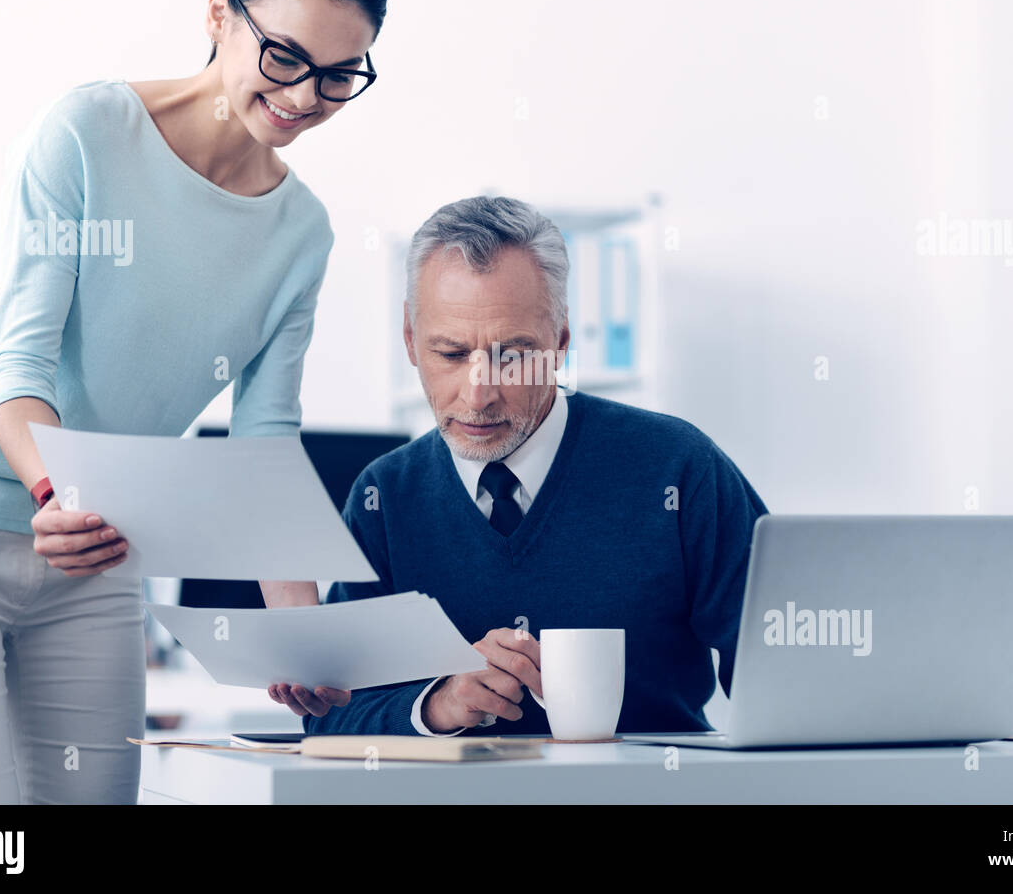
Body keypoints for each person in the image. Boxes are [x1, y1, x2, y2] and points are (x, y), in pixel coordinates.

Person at [0, 0, 386, 803]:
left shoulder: (302, 233)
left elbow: (263, 446)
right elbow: (16, 375)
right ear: (220, 12)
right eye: (285, 55)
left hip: (96, 557)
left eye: (339, 73)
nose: (304, 96)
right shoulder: (86, 134)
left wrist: (297, 634)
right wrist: (52, 496)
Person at [268, 196, 768, 736]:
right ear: (411, 342)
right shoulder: (385, 497)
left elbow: (785, 669)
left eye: (512, 355)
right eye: (452, 355)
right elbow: (332, 713)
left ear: (561, 344)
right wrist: (437, 704)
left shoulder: (678, 469)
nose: (478, 394)